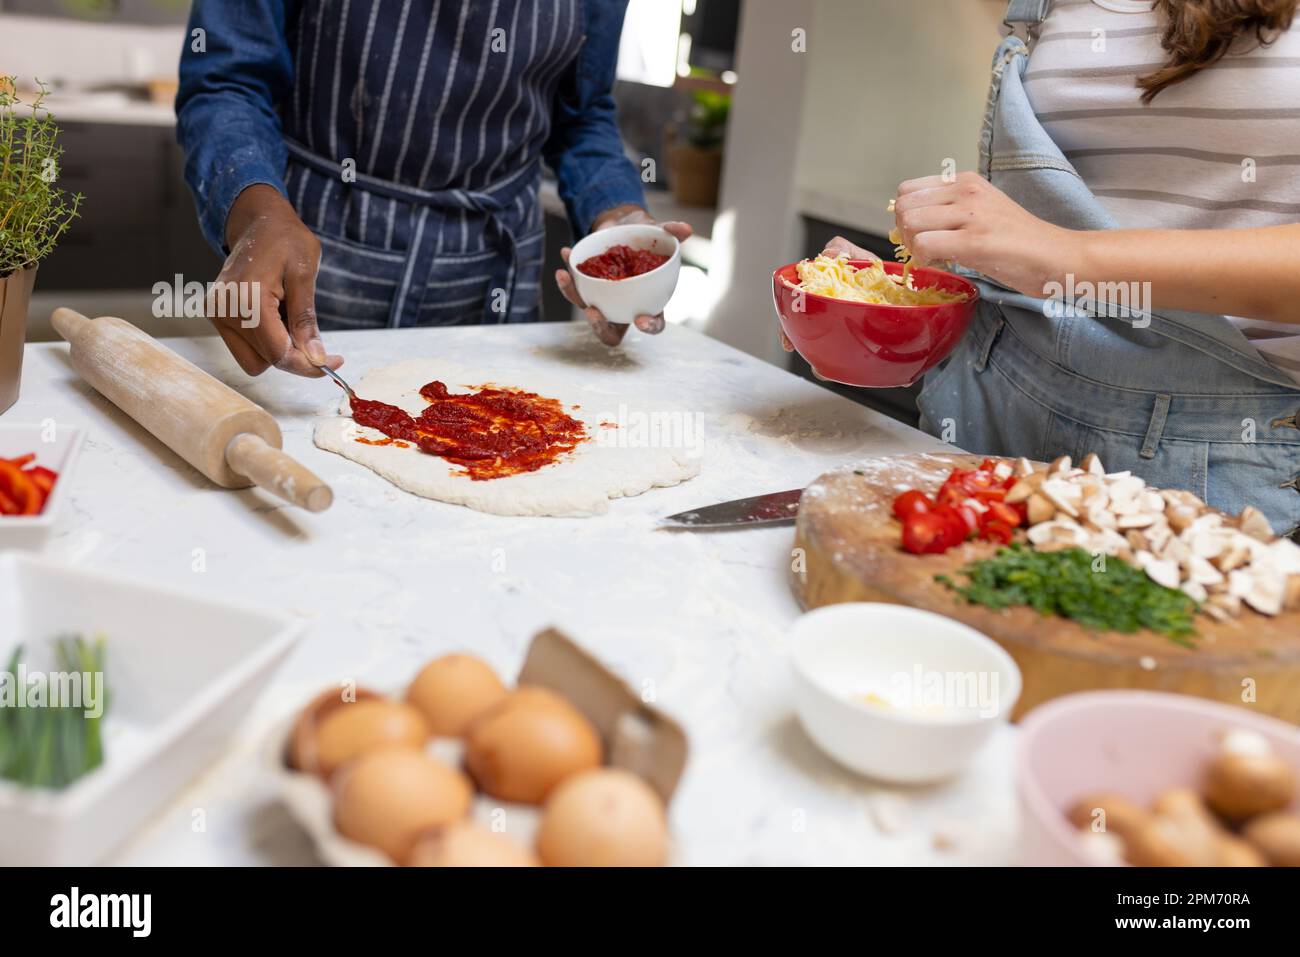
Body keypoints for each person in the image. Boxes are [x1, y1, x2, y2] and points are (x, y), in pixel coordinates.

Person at [806, 0, 1300, 533]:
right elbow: (1065, 227)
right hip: (991, 410)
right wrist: (899, 297)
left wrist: (1063, 257)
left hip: (1206, 458)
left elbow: (1055, 253)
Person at [176, 0, 690, 379]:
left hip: (496, 274)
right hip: (325, 259)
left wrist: (615, 216)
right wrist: (257, 214)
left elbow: (581, 116)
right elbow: (228, 81)